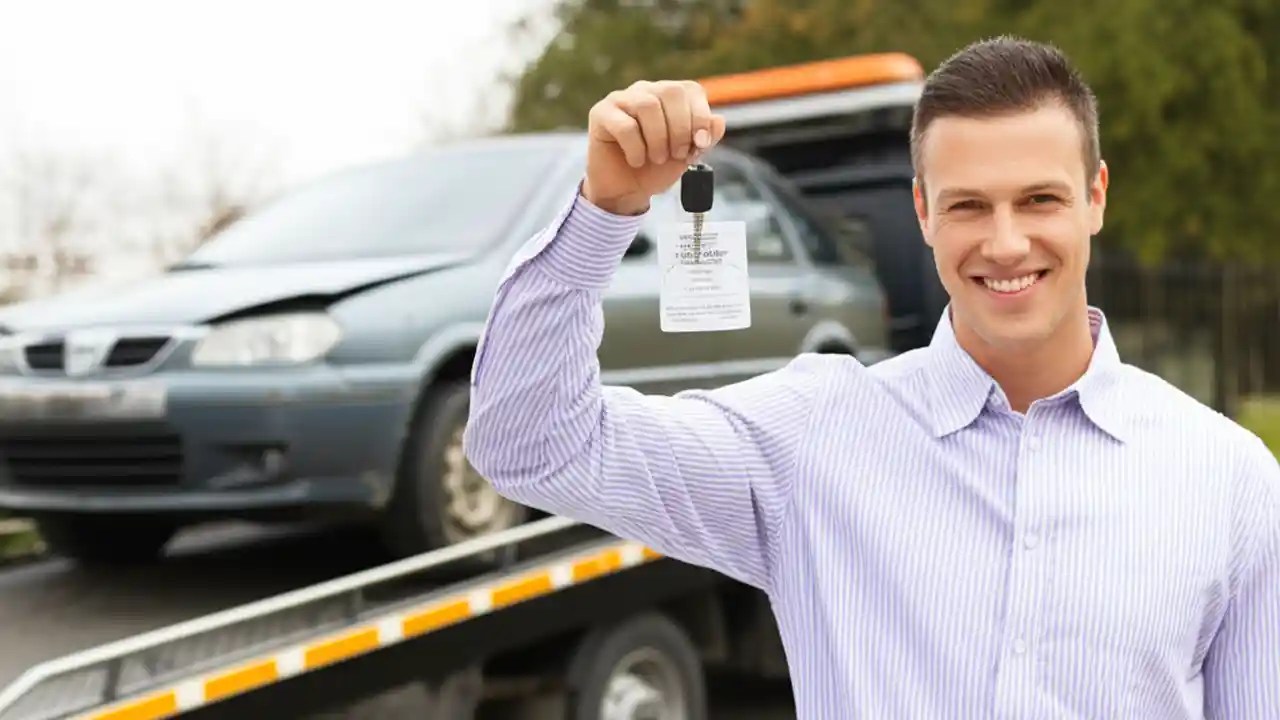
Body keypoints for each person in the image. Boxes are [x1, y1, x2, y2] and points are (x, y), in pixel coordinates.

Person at [464, 36, 1278, 718]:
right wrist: (603, 214)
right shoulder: (812, 438)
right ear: (922, 211)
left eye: (1038, 200)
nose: (1004, 242)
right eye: (967, 206)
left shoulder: (1231, 480)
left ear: (1095, 198)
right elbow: (528, 444)